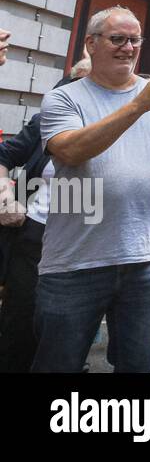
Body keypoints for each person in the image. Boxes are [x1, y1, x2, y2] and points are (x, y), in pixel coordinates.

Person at [33, 6, 150, 372]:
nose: (128, 48)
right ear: (91, 44)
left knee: (139, 366)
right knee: (57, 364)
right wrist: (137, 106)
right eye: (118, 39)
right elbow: (72, 149)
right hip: (74, 262)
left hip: (145, 261)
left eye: (135, 40)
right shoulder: (65, 98)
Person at [0, 59, 91, 372]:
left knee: (64, 338)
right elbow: (3, 156)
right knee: (20, 329)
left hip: (85, 247)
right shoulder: (46, 121)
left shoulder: (118, 127)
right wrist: (5, 200)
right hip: (34, 239)